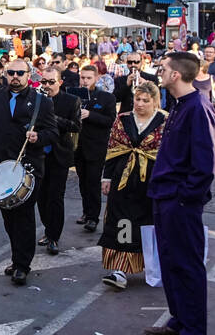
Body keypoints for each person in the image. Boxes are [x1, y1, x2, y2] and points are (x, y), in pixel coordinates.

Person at [144, 52, 215, 335]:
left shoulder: (199, 107)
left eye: (163, 69)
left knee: (187, 264)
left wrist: (185, 196)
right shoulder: (180, 105)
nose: (159, 73)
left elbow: (207, 161)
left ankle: (193, 332)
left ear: (176, 75)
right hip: (165, 196)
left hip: (179, 200)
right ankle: (179, 319)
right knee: (170, 261)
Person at [0, 59, 56, 286]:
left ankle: (22, 265)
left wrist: (38, 137)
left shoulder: (42, 102)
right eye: (11, 72)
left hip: (29, 167)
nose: (15, 76)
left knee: (23, 217)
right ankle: (17, 257)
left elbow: (52, 132)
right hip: (2, 167)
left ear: (28, 74)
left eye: (20, 73)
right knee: (9, 217)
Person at [99, 82, 167, 290]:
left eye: (145, 100)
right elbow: (113, 148)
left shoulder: (165, 121)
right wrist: (107, 177)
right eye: (137, 99)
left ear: (155, 101)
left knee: (150, 223)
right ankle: (120, 270)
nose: (140, 104)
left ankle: (154, 266)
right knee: (121, 222)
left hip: (153, 179)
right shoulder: (123, 119)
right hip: (123, 179)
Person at [35, 67, 80, 256]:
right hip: (38, 154)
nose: (46, 86)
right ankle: (47, 228)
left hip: (59, 154)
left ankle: (54, 236)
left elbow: (76, 126)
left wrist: (53, 119)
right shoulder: (35, 100)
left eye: (51, 82)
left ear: (60, 82)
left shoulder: (71, 100)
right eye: (43, 82)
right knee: (40, 197)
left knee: (55, 197)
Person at [69, 65, 118, 235]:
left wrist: (90, 115)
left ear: (96, 78)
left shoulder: (106, 97)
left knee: (93, 181)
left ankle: (93, 217)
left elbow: (110, 120)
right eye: (82, 77)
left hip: (95, 146)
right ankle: (86, 211)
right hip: (77, 146)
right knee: (83, 181)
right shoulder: (74, 94)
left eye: (88, 78)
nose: (84, 81)